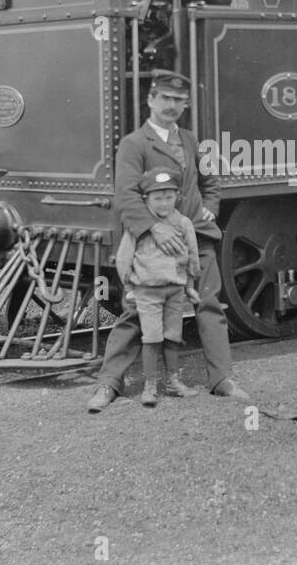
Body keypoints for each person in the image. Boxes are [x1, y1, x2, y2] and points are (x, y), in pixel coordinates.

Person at [87, 71, 250, 413]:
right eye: (166, 98)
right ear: (151, 100)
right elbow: (126, 195)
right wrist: (153, 229)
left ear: (185, 104)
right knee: (136, 311)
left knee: (209, 305)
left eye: (179, 100)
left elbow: (211, 182)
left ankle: (222, 379)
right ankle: (109, 382)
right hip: (153, 247)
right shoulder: (134, 143)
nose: (172, 105)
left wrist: (209, 209)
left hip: (196, 239)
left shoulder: (191, 140)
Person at [114, 170, 202, 406]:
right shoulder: (140, 226)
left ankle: (173, 382)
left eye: (169, 197)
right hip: (147, 292)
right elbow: (123, 258)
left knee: (173, 336)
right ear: (146, 199)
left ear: (177, 196)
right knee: (151, 338)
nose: (164, 204)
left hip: (175, 291)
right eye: (157, 198)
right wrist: (129, 286)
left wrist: (190, 286)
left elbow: (192, 257)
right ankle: (150, 386)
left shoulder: (183, 224)